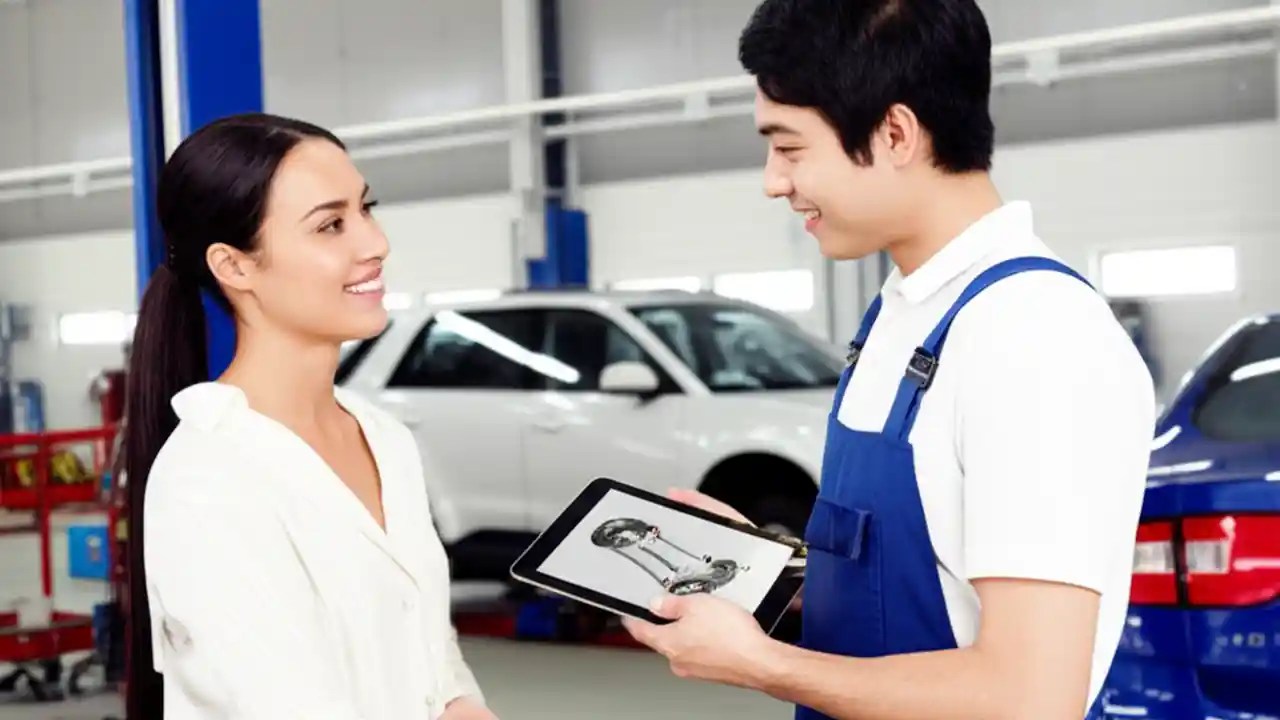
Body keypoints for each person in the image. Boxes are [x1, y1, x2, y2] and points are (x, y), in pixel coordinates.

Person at [622, 1, 1156, 719]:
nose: (772, 181)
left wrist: (764, 664)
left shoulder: (1034, 337)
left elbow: (1029, 697)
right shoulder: (902, 314)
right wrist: (759, 568)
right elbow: (912, 585)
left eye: (789, 147)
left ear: (895, 133)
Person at [121, 113, 495, 720]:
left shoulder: (384, 438)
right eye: (330, 225)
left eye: (365, 209)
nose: (375, 243)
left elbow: (428, 653)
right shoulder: (208, 479)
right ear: (235, 266)